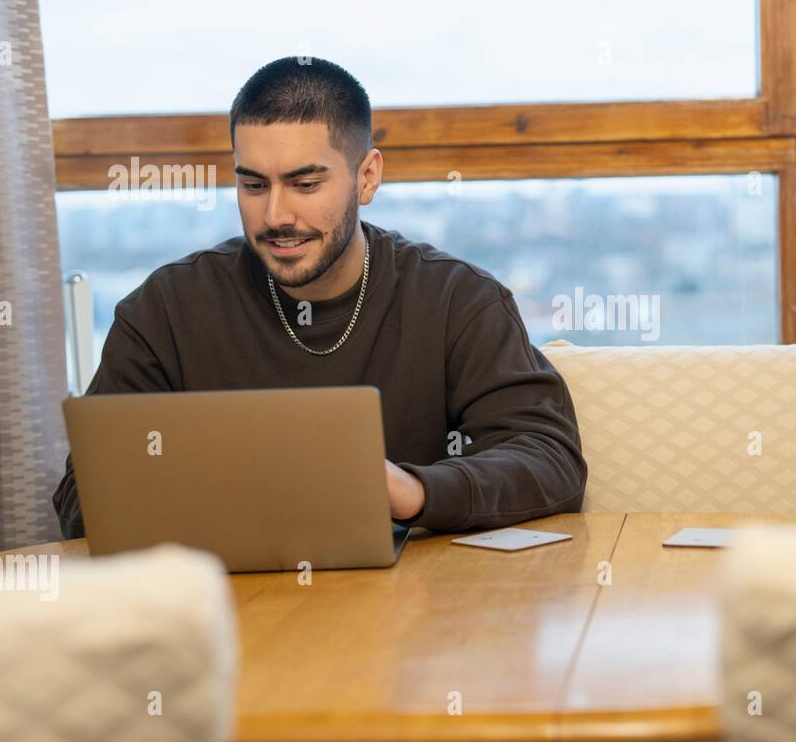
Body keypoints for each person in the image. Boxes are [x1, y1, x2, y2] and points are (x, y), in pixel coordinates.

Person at [52, 56, 587, 539]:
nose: (276, 216)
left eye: (305, 184)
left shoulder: (458, 299)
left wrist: (415, 491)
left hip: (416, 614)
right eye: (254, 185)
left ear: (367, 177)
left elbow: (549, 460)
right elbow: (81, 498)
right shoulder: (166, 309)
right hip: (226, 611)